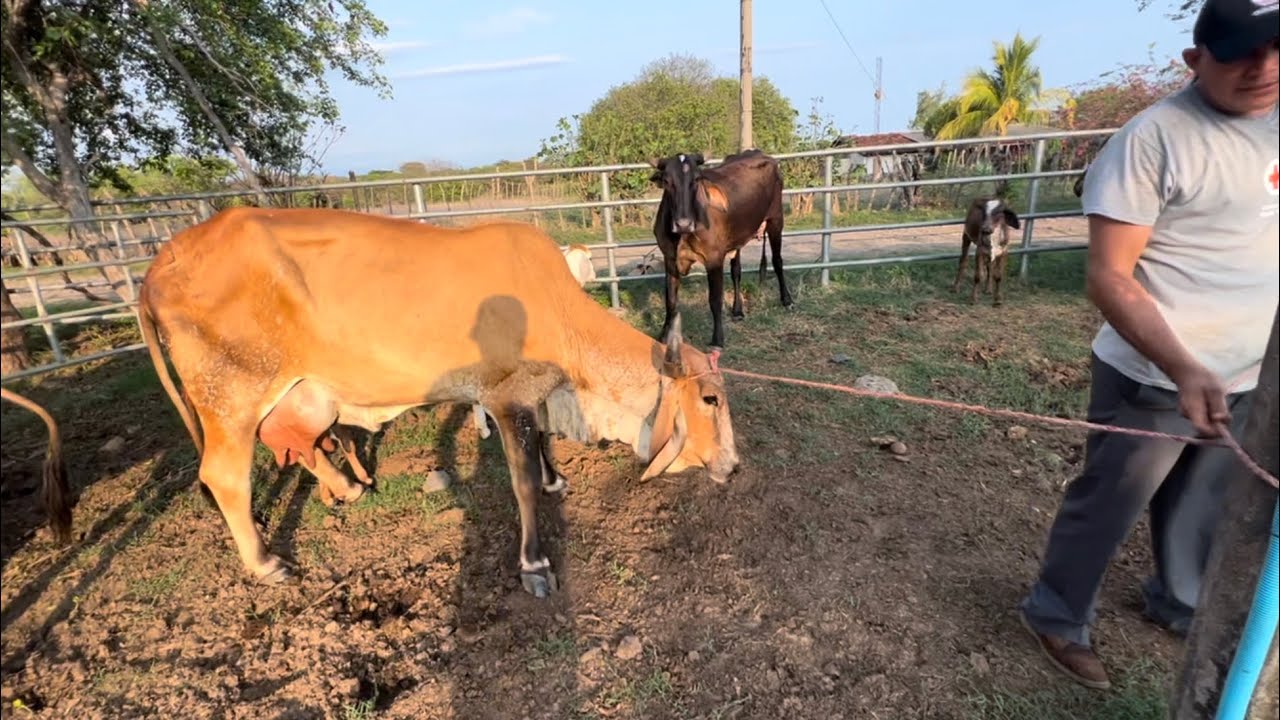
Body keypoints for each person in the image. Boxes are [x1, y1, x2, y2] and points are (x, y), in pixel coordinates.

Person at [1017, 0, 1279, 691]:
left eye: (1277, 47)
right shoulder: (1153, 140)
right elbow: (1108, 276)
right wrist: (1184, 367)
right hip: (1157, 375)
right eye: (1241, 53)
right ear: (1195, 59)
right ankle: (1056, 615)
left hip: (1250, 370)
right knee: (1110, 502)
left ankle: (1179, 599)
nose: (1263, 67)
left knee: (1206, 497)